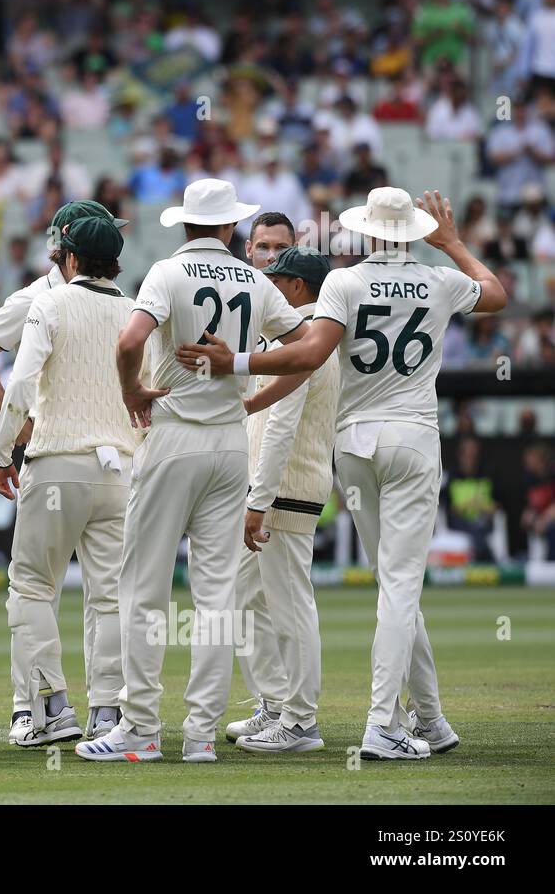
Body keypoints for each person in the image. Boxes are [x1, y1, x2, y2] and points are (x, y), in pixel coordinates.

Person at [176, 188, 506, 760]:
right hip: (413, 436)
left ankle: (428, 718)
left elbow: (306, 355)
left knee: (392, 583)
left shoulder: (345, 283)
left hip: (353, 445)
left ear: (367, 231)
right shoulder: (438, 280)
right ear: (411, 232)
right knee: (400, 586)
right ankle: (384, 723)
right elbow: (498, 293)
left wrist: (238, 365)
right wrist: (451, 242)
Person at [76, 178, 307, 764]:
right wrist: (252, 390)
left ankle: (142, 730)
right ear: (230, 227)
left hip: (173, 436)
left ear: (184, 224)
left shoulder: (166, 273)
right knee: (217, 597)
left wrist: (133, 391)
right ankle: (201, 735)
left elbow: (130, 340)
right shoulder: (256, 279)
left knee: (143, 587)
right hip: (231, 445)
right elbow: (308, 349)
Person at [0, 198, 131, 739]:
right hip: (119, 470)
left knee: (32, 589)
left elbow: (18, 386)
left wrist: (1, 452)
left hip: (58, 462)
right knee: (110, 595)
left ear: (68, 256)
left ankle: (50, 709)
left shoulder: (52, 303)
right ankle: (108, 712)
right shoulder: (136, 310)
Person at [223, 246, 339, 754]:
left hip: (285, 490)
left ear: (296, 287)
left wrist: (258, 498)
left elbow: (281, 427)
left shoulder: (307, 340)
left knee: (289, 606)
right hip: (274, 488)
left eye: (277, 278)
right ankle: (275, 705)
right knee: (249, 601)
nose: (268, 284)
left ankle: (300, 722)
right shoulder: (300, 337)